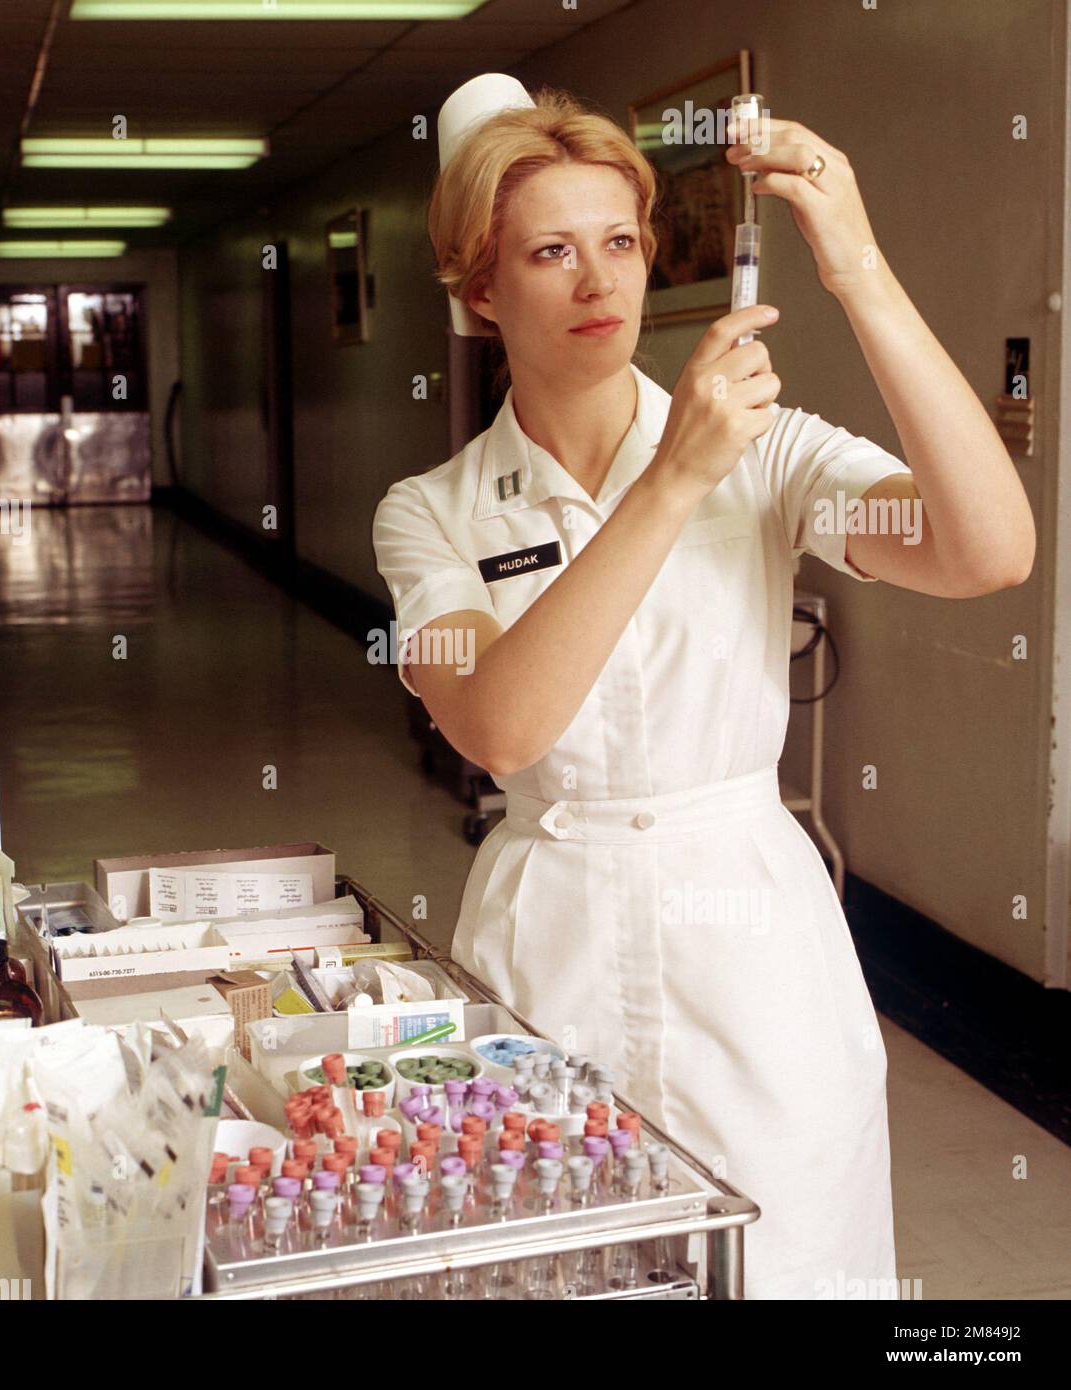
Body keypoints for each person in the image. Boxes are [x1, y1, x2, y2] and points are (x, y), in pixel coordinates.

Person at [371, 76, 1035, 1299]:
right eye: (551, 252)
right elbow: (500, 723)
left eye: (619, 243)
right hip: (547, 944)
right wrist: (667, 484)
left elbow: (989, 548)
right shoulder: (432, 513)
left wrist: (860, 270)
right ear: (478, 293)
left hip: (753, 951)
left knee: (788, 1263)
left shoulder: (767, 455)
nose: (600, 282)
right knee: (557, 1261)